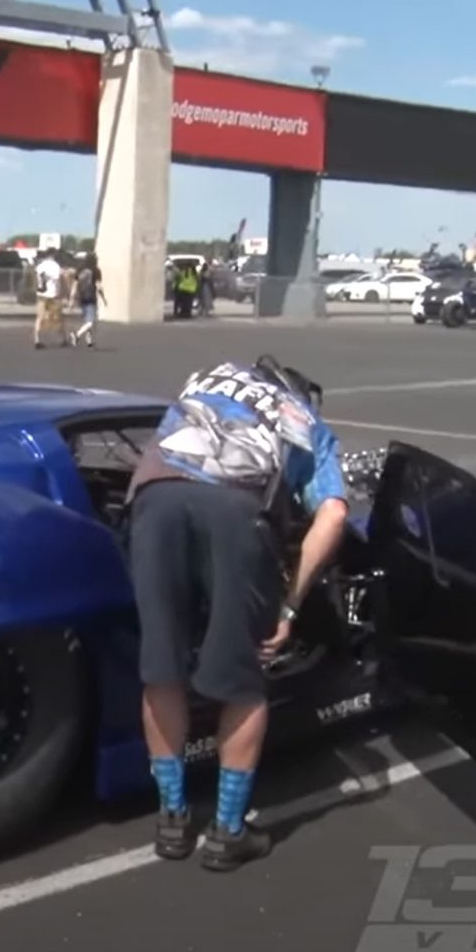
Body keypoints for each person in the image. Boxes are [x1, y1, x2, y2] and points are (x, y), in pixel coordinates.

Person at [124, 357, 347, 870]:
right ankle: (227, 833)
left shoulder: (207, 376)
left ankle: (172, 822)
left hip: (154, 498)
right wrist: (290, 603)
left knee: (162, 669)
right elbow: (333, 514)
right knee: (243, 679)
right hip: (234, 511)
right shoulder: (306, 421)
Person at [70, 254, 107, 347]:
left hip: (82, 298)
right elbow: (98, 286)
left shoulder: (80, 270)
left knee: (87, 320)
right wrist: (103, 298)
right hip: (91, 298)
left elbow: (74, 286)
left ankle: (89, 340)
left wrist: (72, 299)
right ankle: (77, 335)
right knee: (91, 321)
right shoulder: (96, 271)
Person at [32, 249, 66, 348]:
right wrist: (62, 293)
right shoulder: (55, 266)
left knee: (39, 318)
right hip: (53, 294)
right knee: (58, 318)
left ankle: (37, 339)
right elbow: (58, 280)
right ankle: (63, 339)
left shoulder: (40, 266)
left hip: (41, 294)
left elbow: (36, 279)